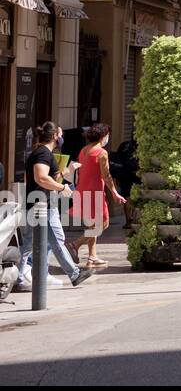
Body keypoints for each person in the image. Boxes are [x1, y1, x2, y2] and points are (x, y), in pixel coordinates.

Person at [21, 123, 92, 287]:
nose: (61, 138)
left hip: (41, 202)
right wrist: (62, 187)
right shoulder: (43, 154)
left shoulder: (42, 153)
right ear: (54, 136)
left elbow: (46, 178)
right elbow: (41, 178)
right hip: (43, 205)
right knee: (55, 240)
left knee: (32, 244)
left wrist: (66, 171)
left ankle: (26, 276)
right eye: (60, 134)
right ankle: (74, 274)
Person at [69, 125, 124, 267]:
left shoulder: (84, 150)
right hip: (94, 192)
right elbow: (106, 176)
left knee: (91, 224)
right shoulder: (102, 153)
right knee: (102, 224)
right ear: (103, 136)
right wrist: (115, 192)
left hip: (82, 190)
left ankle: (92, 257)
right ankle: (75, 244)